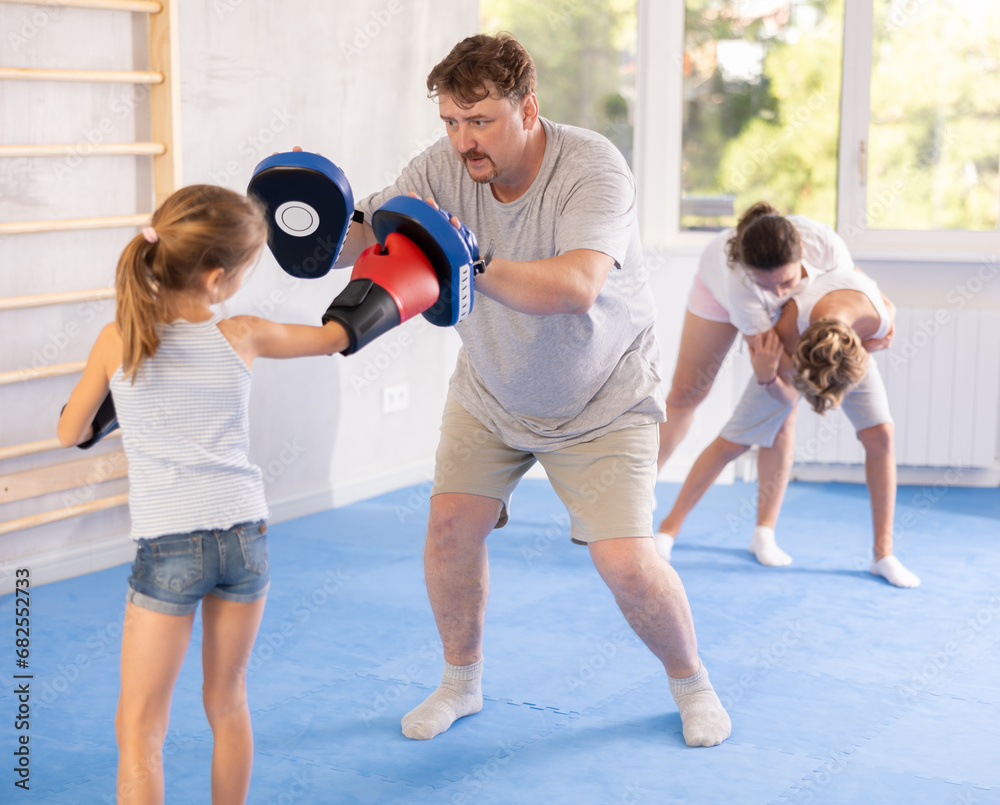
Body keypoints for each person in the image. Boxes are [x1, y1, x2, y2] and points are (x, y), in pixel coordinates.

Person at [332, 33, 730, 748]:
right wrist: (301, 227)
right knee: (451, 532)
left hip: (603, 398)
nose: (463, 141)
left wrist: (470, 258)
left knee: (627, 563)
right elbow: (366, 233)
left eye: (480, 120)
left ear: (528, 109)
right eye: (451, 122)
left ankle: (692, 681)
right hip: (491, 390)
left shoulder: (592, 167)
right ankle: (461, 681)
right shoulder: (440, 169)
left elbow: (577, 286)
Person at [57, 185, 359, 805]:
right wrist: (394, 285)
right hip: (246, 537)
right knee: (227, 702)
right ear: (219, 276)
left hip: (169, 546)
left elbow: (70, 433)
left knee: (139, 729)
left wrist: (118, 401)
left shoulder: (119, 338)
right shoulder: (243, 333)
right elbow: (335, 337)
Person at [654, 202, 893, 566]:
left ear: (801, 256)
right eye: (771, 285)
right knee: (687, 393)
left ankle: (763, 533)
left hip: (807, 325)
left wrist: (870, 336)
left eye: (788, 281)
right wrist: (766, 375)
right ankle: (642, 490)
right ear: (752, 274)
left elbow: (854, 288)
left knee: (784, 418)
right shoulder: (739, 284)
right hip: (719, 295)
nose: (781, 293)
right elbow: (777, 374)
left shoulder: (824, 244)